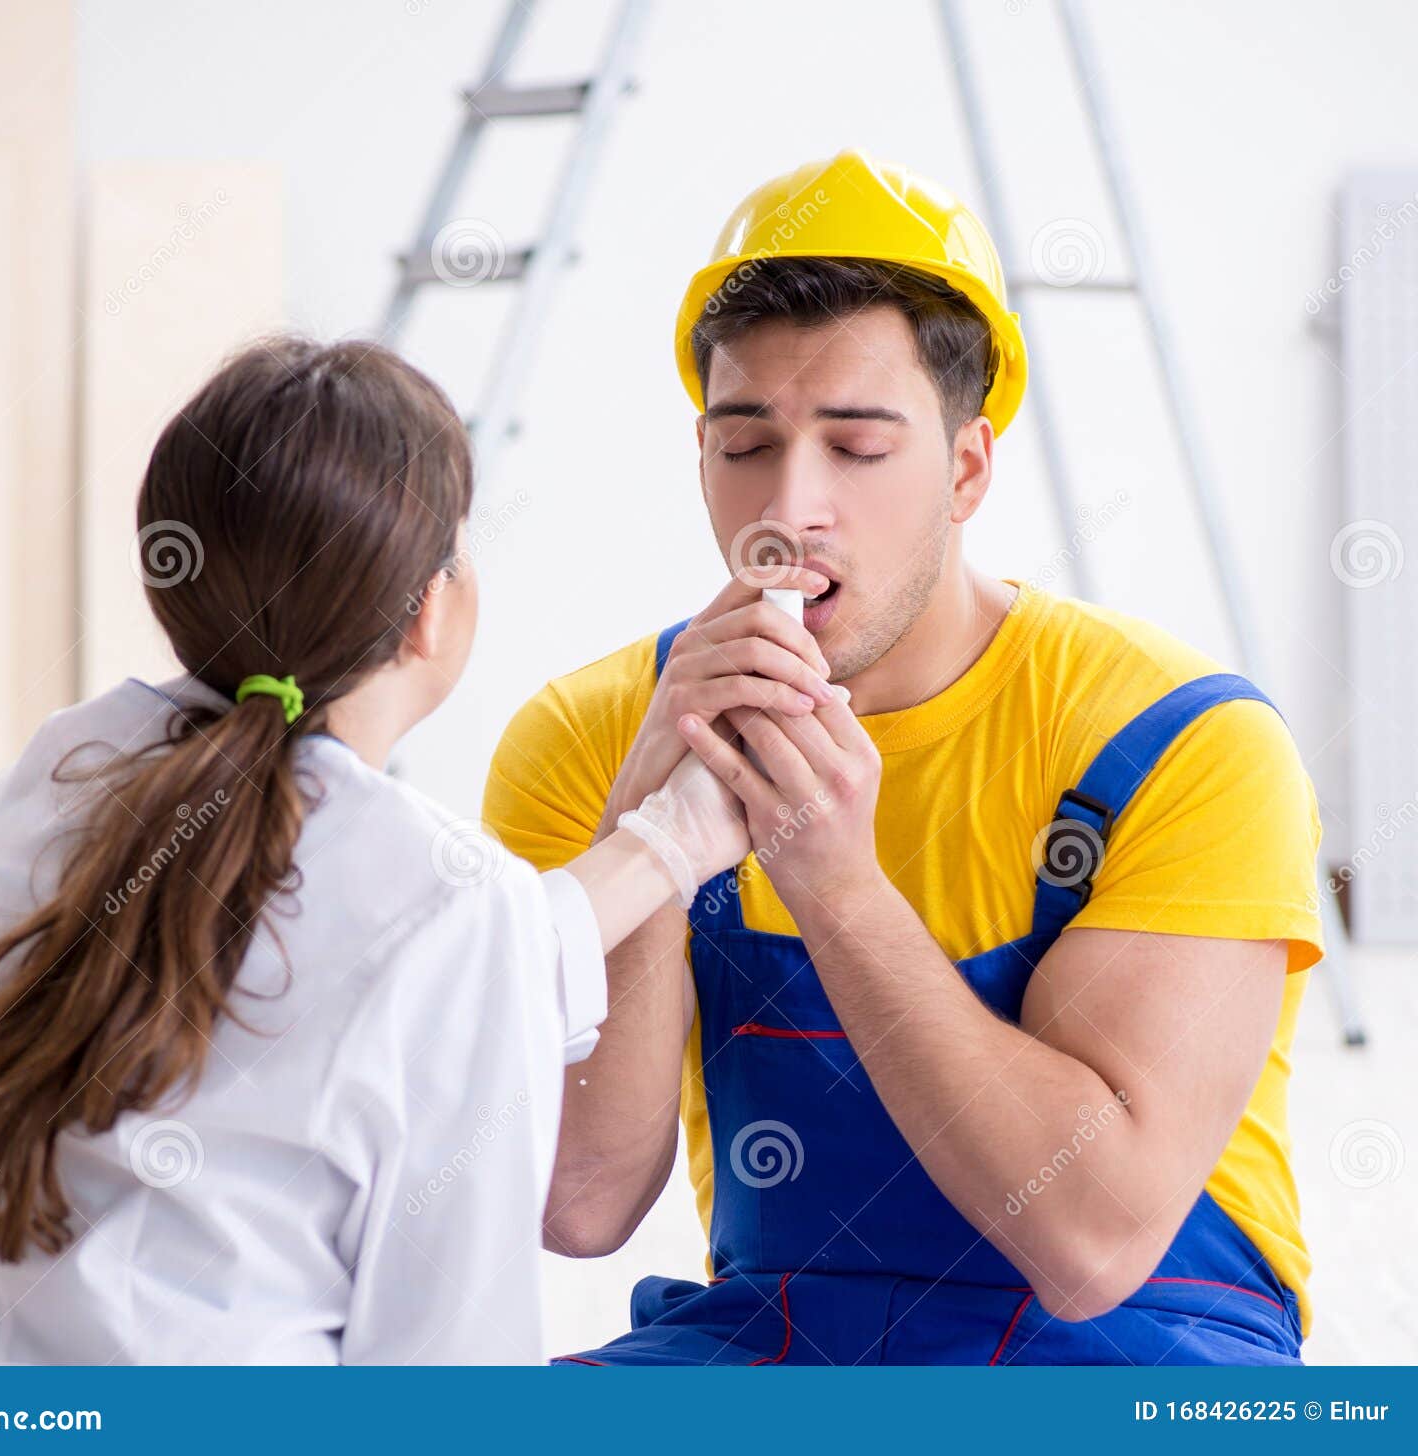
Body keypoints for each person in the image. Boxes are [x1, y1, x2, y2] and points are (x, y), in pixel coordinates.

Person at [483, 150, 1325, 1365]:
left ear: (967, 467)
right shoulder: (594, 733)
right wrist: (646, 856)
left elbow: (1090, 1245)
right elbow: (579, 1203)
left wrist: (835, 886)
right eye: (745, 445)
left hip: (1142, 1352)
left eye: (858, 449)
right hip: (778, 1340)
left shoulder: (1182, 744)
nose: (792, 506)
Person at [0, 336, 763, 1366]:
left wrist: (663, 843)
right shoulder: (442, 909)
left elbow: (399, 956)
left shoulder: (61, 766)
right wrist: (663, 845)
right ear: (434, 609)